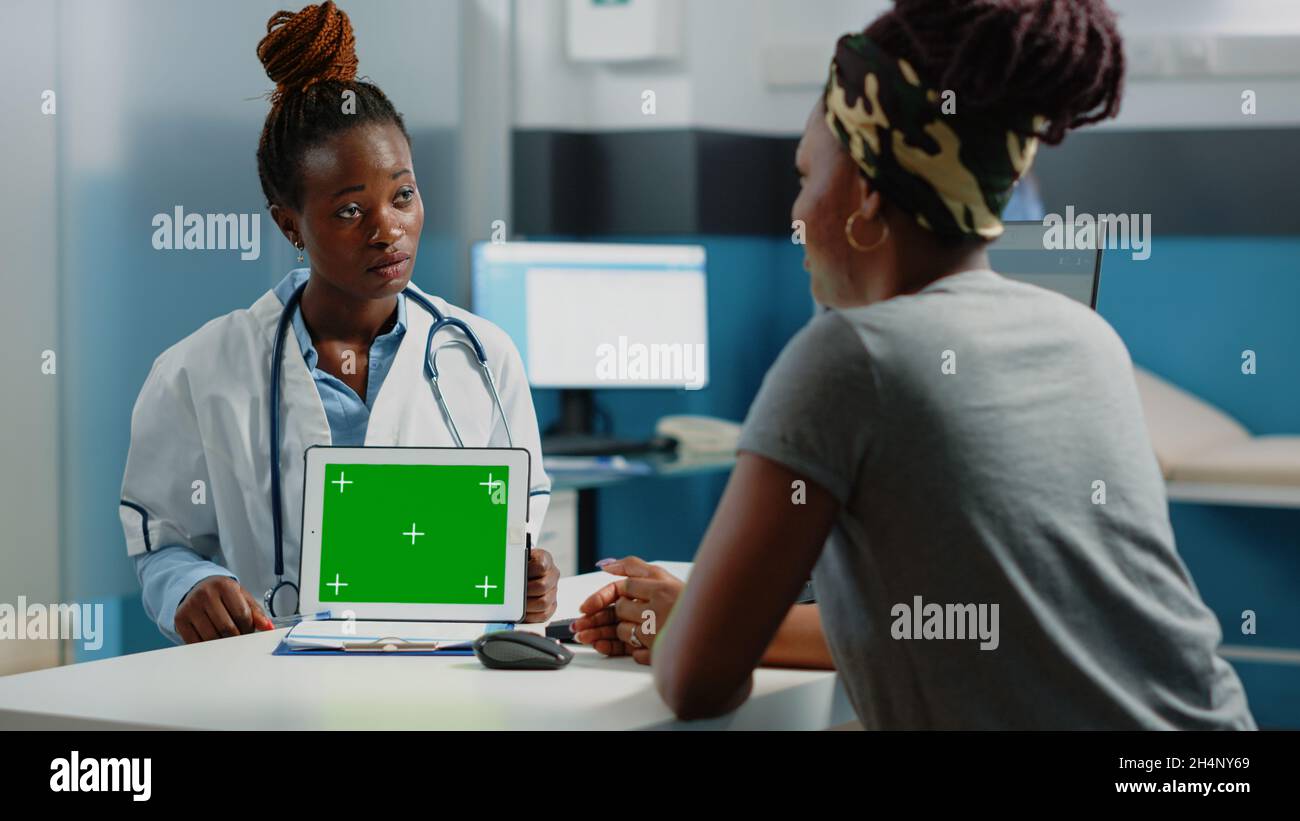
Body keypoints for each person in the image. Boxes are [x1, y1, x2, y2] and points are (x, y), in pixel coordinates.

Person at [572, 0, 1256, 730]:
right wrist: (704, 614)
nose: (795, 211)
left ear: (866, 193)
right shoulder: (1085, 338)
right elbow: (983, 631)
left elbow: (695, 680)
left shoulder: (847, 357)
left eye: (806, 176)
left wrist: (691, 623)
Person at [119, 1, 558, 645]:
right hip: (266, 681)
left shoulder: (482, 356)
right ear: (289, 223)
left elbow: (519, 522)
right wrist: (188, 585)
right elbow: (162, 541)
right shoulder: (197, 370)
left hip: (445, 681)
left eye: (402, 195)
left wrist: (529, 576)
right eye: (351, 211)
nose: (389, 230)